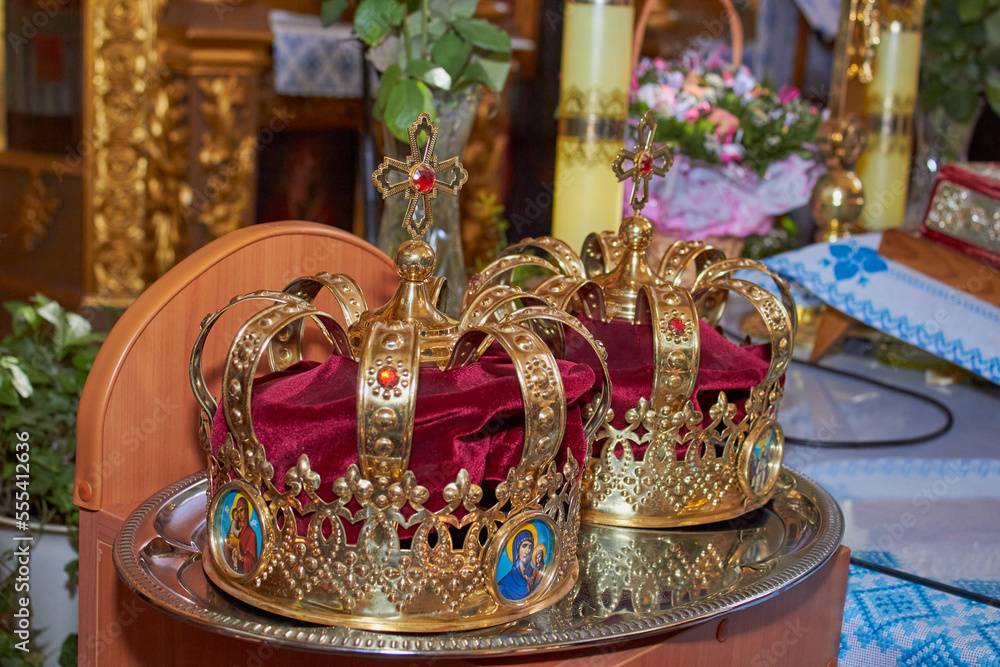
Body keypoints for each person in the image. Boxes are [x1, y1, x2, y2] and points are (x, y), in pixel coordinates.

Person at [497, 529, 537, 601]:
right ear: (517, 549)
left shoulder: (535, 575)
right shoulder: (504, 586)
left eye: (530, 547)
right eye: (524, 546)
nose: (528, 551)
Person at [225, 496, 258, 574]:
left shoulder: (251, 534)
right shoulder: (233, 529)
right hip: (231, 571)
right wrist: (229, 547)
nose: (240, 514)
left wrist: (241, 558)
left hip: (243, 573)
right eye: (238, 511)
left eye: (242, 510)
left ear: (246, 511)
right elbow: (225, 544)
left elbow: (252, 561)